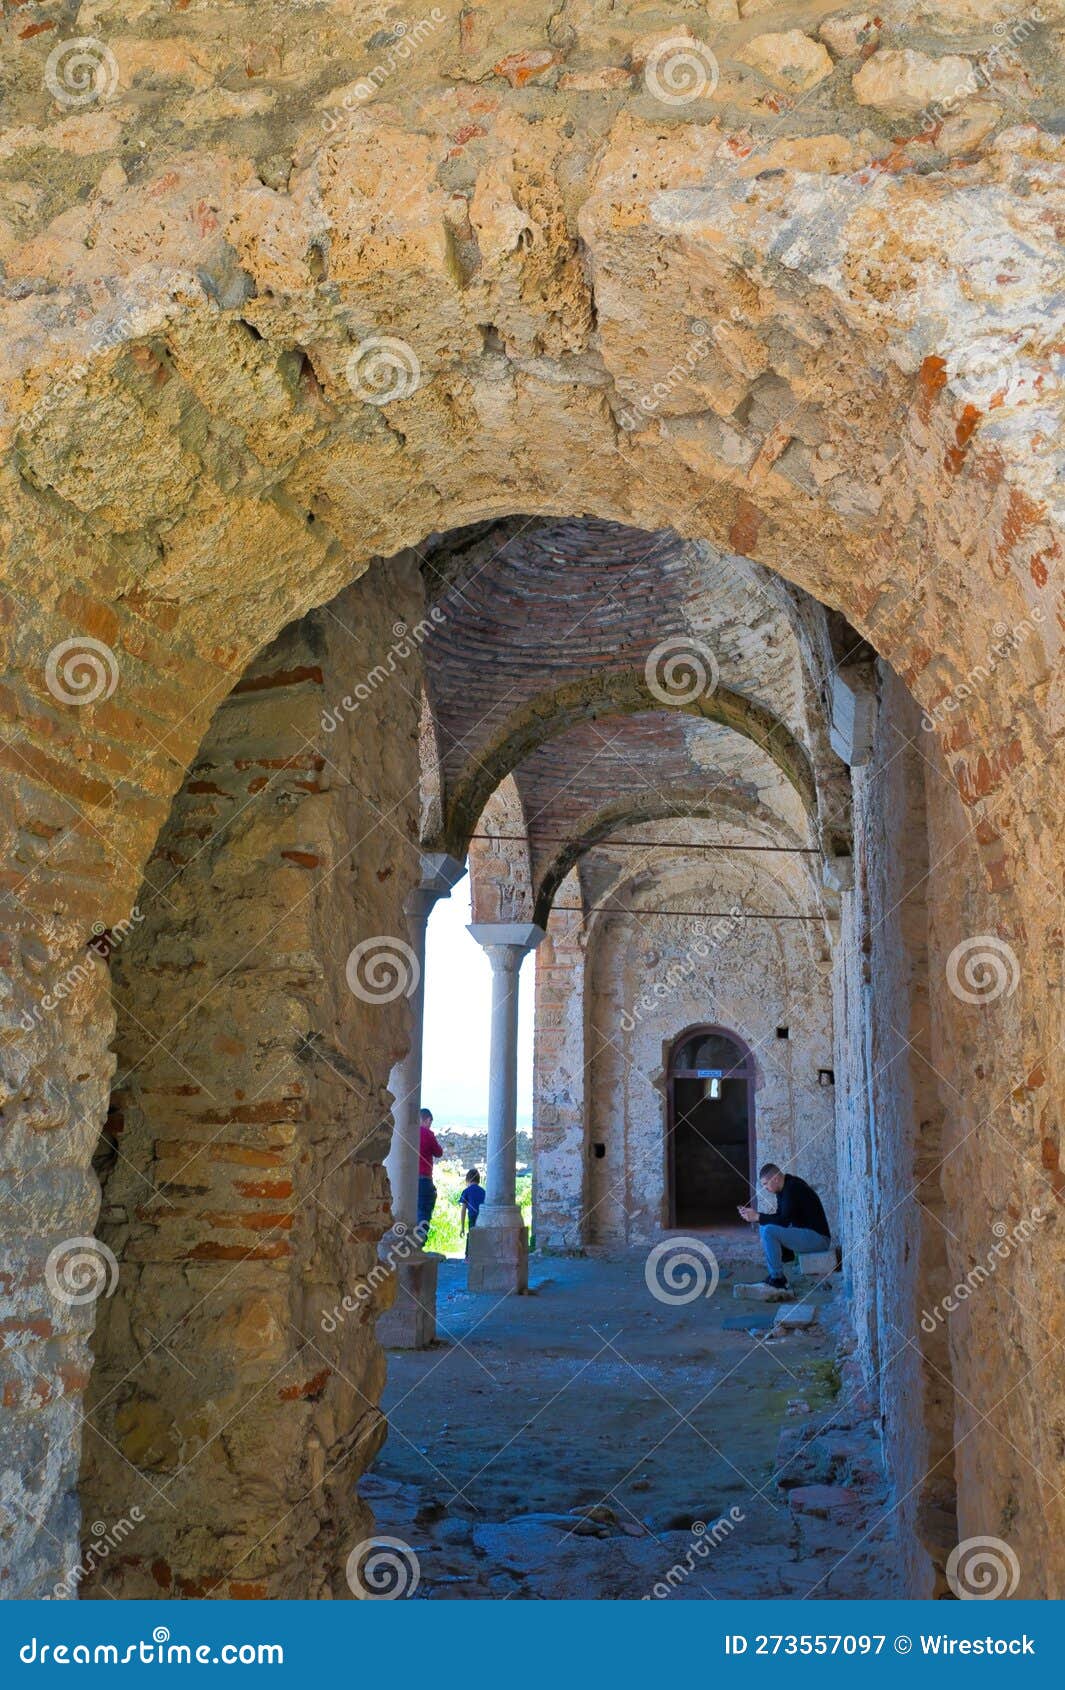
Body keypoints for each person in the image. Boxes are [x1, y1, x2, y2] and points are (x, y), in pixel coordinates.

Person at [738, 1162, 831, 1289]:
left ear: (775, 1179)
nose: (765, 1188)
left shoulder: (792, 1188)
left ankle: (778, 1278)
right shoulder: (784, 1188)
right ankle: (779, 1268)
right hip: (809, 1235)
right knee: (765, 1227)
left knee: (768, 1230)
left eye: (765, 1184)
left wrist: (757, 1217)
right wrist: (757, 1217)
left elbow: (783, 1221)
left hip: (819, 1239)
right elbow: (780, 1217)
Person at [417, 1107, 444, 1236]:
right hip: (424, 1178)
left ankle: (407, 1246)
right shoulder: (427, 1133)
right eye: (430, 1122)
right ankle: (419, 1241)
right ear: (427, 1120)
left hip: (409, 1180)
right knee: (424, 1210)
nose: (430, 1125)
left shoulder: (409, 1132)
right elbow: (438, 1152)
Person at [458, 1168, 486, 1244]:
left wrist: (462, 1227)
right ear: (478, 1180)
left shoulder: (466, 1191)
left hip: (472, 1217)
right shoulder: (483, 1191)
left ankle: (469, 1253)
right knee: (481, 1238)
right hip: (483, 1217)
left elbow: (463, 1210)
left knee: (472, 1237)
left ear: (467, 1179)